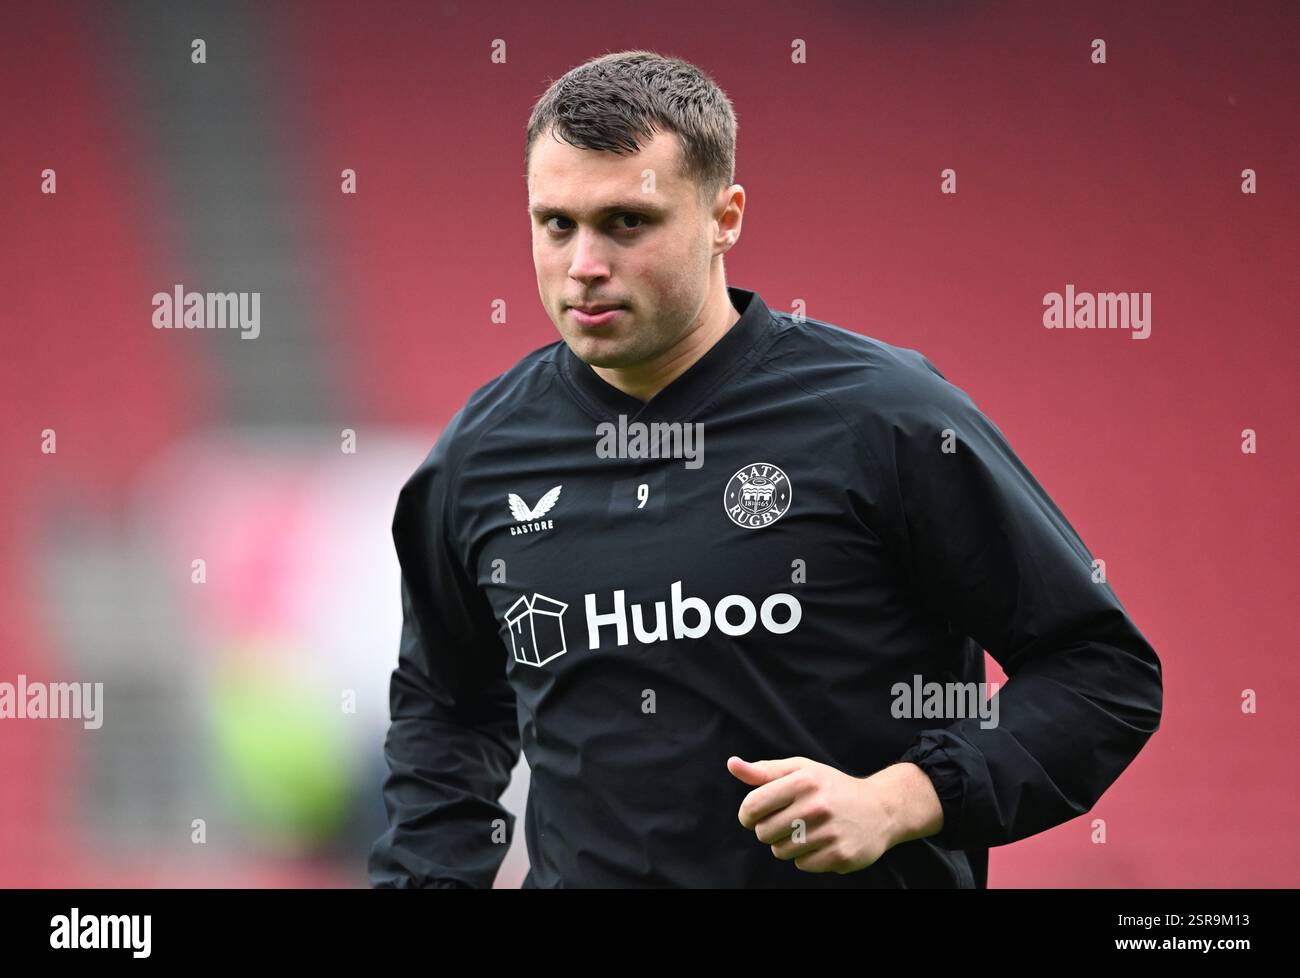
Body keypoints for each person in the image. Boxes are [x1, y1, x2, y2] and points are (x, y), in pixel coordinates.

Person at [368, 50, 1162, 888]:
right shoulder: (482, 452)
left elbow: (1102, 673)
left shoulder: (883, 416)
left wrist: (901, 799)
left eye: (627, 223)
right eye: (556, 223)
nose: (583, 265)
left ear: (725, 216)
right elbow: (447, 714)